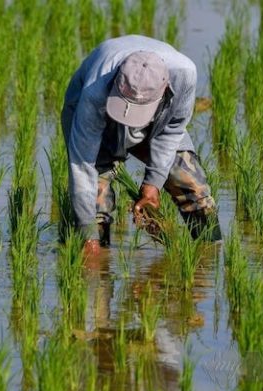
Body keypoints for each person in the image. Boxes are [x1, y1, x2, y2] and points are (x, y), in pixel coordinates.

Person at [61, 35, 222, 258]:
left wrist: (153, 183)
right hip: (101, 117)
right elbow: (82, 165)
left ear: (165, 89)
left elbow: (173, 128)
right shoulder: (93, 93)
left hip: (157, 121)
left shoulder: (185, 75)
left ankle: (210, 259)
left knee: (192, 183)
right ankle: (97, 271)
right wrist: (89, 237)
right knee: (95, 203)